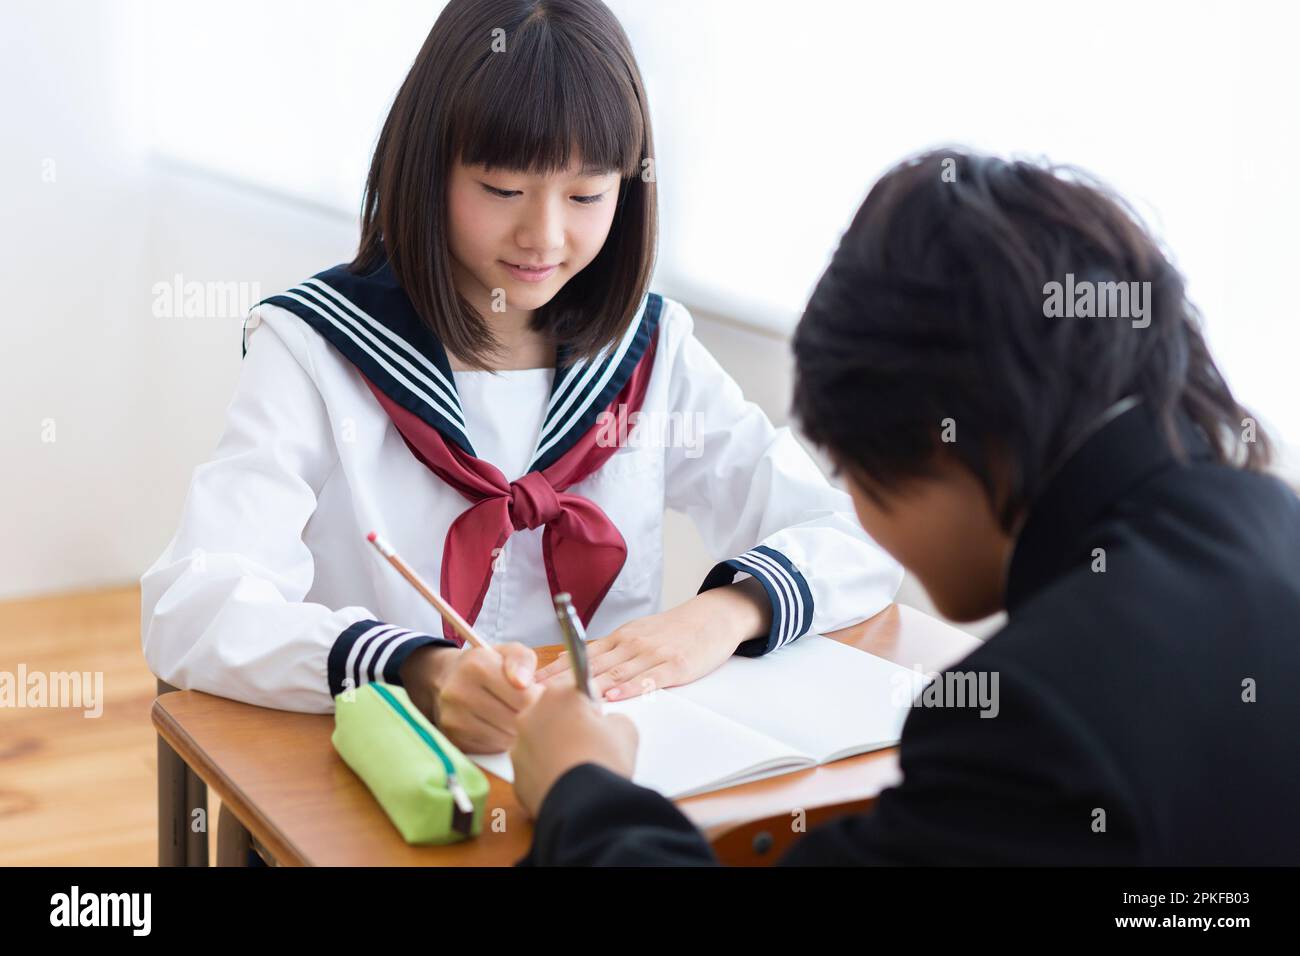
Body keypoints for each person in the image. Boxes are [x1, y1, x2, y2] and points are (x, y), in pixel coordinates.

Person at [138, 0, 900, 757]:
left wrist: (726, 613)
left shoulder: (650, 351)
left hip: (595, 773)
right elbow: (193, 606)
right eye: (503, 190)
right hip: (383, 766)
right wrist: (417, 669)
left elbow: (860, 533)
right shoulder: (315, 349)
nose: (544, 236)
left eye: (587, 195)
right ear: (427, 168)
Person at [510, 149, 1300, 866]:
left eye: (852, 470)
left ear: (938, 441)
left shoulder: (1036, 723)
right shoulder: (1272, 520)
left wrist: (582, 787)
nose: (859, 511)